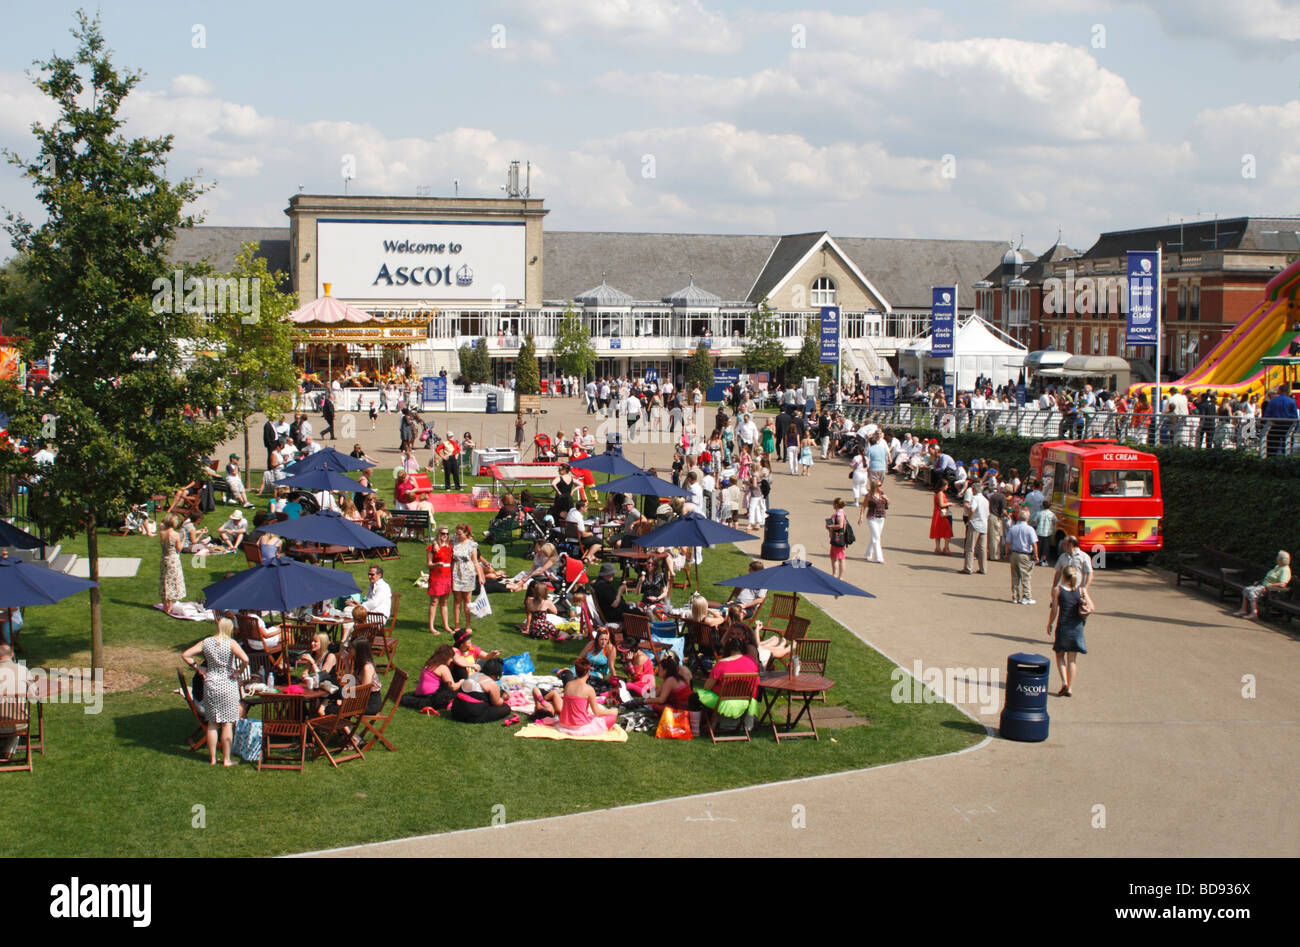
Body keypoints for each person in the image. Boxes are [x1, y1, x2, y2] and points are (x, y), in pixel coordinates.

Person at [181, 617, 249, 766]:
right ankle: (226, 759)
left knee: (212, 723)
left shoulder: (206, 642)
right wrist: (239, 672)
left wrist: (198, 667)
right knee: (227, 724)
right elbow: (245, 659)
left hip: (211, 682)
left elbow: (185, 654)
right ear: (229, 629)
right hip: (227, 683)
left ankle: (212, 759)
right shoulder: (231, 643)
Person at [688, 636, 759, 738]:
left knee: (694, 698)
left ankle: (695, 731)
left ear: (727, 648)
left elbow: (707, 687)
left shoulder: (722, 663)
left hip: (724, 701)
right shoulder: (751, 661)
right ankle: (714, 723)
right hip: (746, 700)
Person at [1047, 565, 1093, 697]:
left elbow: (1054, 610)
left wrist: (1049, 623)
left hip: (1063, 626)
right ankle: (1070, 688)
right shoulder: (1081, 590)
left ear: (1063, 575)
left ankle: (1064, 682)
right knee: (1072, 659)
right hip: (1077, 627)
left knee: (1059, 655)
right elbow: (1092, 607)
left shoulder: (1058, 590)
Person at [450, 657, 511, 724]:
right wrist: (503, 698)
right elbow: (496, 703)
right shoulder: (492, 684)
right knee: (506, 708)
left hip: (456, 711)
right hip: (471, 715)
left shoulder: (473, 674)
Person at [1234, 550, 1291, 619]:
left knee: (1252, 591)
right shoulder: (1277, 567)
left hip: (1272, 591)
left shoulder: (1285, 570)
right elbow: (1268, 578)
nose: (1276, 558)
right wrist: (1259, 581)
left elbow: (1283, 584)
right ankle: (1243, 610)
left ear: (1281, 560)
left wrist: (1269, 586)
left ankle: (1254, 613)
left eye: (1278, 557)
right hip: (1263, 587)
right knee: (1246, 589)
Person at [450, 524, 485, 633]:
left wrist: (480, 576)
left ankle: (468, 624)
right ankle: (456, 624)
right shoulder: (453, 541)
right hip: (456, 573)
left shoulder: (472, 545)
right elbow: (438, 539)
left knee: (467, 601)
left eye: (459, 534)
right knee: (457, 600)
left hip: (468, 574)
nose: (457, 535)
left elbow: (475, 562)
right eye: (456, 533)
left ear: (466, 533)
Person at [1007, 508, 1039, 605]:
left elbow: (1008, 542)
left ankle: (1015, 597)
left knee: (1015, 576)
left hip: (1014, 554)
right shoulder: (1030, 529)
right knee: (1025, 576)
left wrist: (1007, 553)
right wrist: (1036, 555)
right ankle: (1026, 597)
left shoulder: (1013, 528)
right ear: (1027, 518)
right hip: (1024, 555)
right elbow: (1034, 543)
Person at [426, 527, 454, 635]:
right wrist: (437, 564)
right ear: (438, 534)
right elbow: (429, 564)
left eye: (447, 533)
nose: (445, 535)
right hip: (436, 576)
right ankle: (431, 627)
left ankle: (446, 626)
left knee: (444, 602)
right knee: (434, 602)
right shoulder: (431, 548)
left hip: (447, 577)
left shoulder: (450, 546)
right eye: (442, 533)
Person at [159, 514, 186, 616]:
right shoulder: (175, 535)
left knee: (164, 580)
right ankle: (169, 607)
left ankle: (165, 605)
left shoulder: (162, 532)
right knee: (172, 581)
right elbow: (179, 549)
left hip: (164, 558)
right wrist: (184, 538)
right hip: (173, 559)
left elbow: (161, 523)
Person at [960, 482, 990, 575]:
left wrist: (969, 518)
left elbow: (972, 509)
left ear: (974, 490)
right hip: (984, 525)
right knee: (982, 548)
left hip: (975, 523)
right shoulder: (985, 500)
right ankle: (983, 568)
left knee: (970, 546)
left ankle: (968, 568)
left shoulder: (975, 498)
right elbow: (988, 514)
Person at [859, 480, 889, 564]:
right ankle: (879, 558)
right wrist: (861, 517)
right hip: (872, 517)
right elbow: (863, 506)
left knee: (876, 536)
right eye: (879, 485)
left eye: (881, 485)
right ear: (874, 486)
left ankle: (868, 554)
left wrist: (886, 498)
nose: (880, 487)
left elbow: (889, 502)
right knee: (876, 537)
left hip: (881, 517)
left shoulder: (882, 493)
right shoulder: (869, 495)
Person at [826, 497, 849, 579]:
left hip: (838, 538)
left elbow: (840, 525)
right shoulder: (841, 513)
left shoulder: (839, 514)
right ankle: (837, 575)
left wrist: (831, 526)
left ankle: (837, 575)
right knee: (835, 557)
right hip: (839, 537)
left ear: (836, 505)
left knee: (838, 557)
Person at [929, 480, 953, 555]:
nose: (947, 487)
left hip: (939, 512)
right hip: (942, 513)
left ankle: (938, 547)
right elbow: (941, 504)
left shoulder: (937, 493)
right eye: (946, 485)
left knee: (938, 530)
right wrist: (949, 503)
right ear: (942, 486)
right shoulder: (940, 494)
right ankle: (946, 548)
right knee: (947, 530)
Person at [1034, 500, 1058, 566]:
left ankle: (1037, 559)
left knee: (1039, 546)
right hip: (1047, 533)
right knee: (1046, 548)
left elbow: (1035, 522)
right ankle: (1043, 561)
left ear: (1043, 506)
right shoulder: (1051, 514)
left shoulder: (1039, 513)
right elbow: (1055, 521)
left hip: (1039, 532)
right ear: (1050, 506)